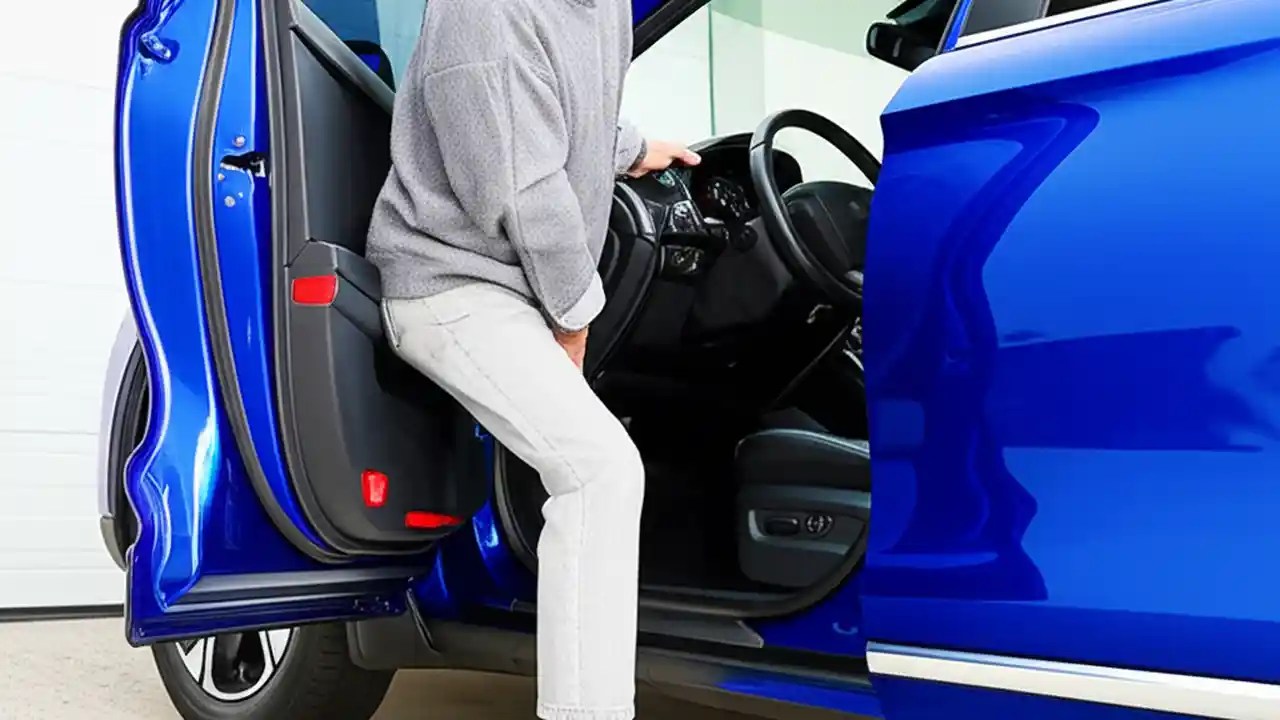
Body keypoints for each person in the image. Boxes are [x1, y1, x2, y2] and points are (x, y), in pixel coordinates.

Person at [365, 0, 700, 718]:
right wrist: (573, 316)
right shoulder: (484, 13)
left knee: (603, 466)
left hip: (519, 282)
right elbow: (521, 187)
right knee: (598, 471)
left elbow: (562, 113)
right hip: (450, 283)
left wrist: (635, 149)